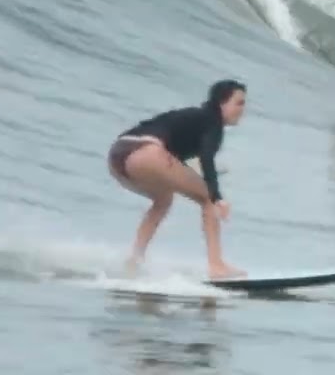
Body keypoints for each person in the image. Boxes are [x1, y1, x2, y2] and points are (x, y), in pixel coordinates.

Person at [106, 79, 248, 279]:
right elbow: (206, 157)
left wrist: (207, 174)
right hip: (148, 152)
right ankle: (217, 266)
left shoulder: (194, 117)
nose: (243, 109)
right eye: (239, 103)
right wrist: (217, 196)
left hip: (118, 154)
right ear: (221, 103)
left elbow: (180, 162)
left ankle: (135, 259)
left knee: (163, 199)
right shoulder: (213, 122)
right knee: (207, 199)